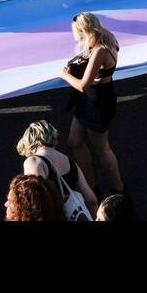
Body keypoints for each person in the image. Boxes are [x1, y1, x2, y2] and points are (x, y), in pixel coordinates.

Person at [60, 12, 125, 195]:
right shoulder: (106, 37)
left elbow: (82, 85)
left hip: (96, 102)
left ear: (84, 29)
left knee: (102, 149)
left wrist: (64, 74)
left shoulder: (100, 50)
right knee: (74, 142)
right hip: (90, 99)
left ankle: (119, 190)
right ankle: (91, 188)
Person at [17, 120, 98, 218]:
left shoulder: (34, 162)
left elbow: (35, 202)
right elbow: (91, 200)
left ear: (29, 142)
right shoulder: (71, 163)